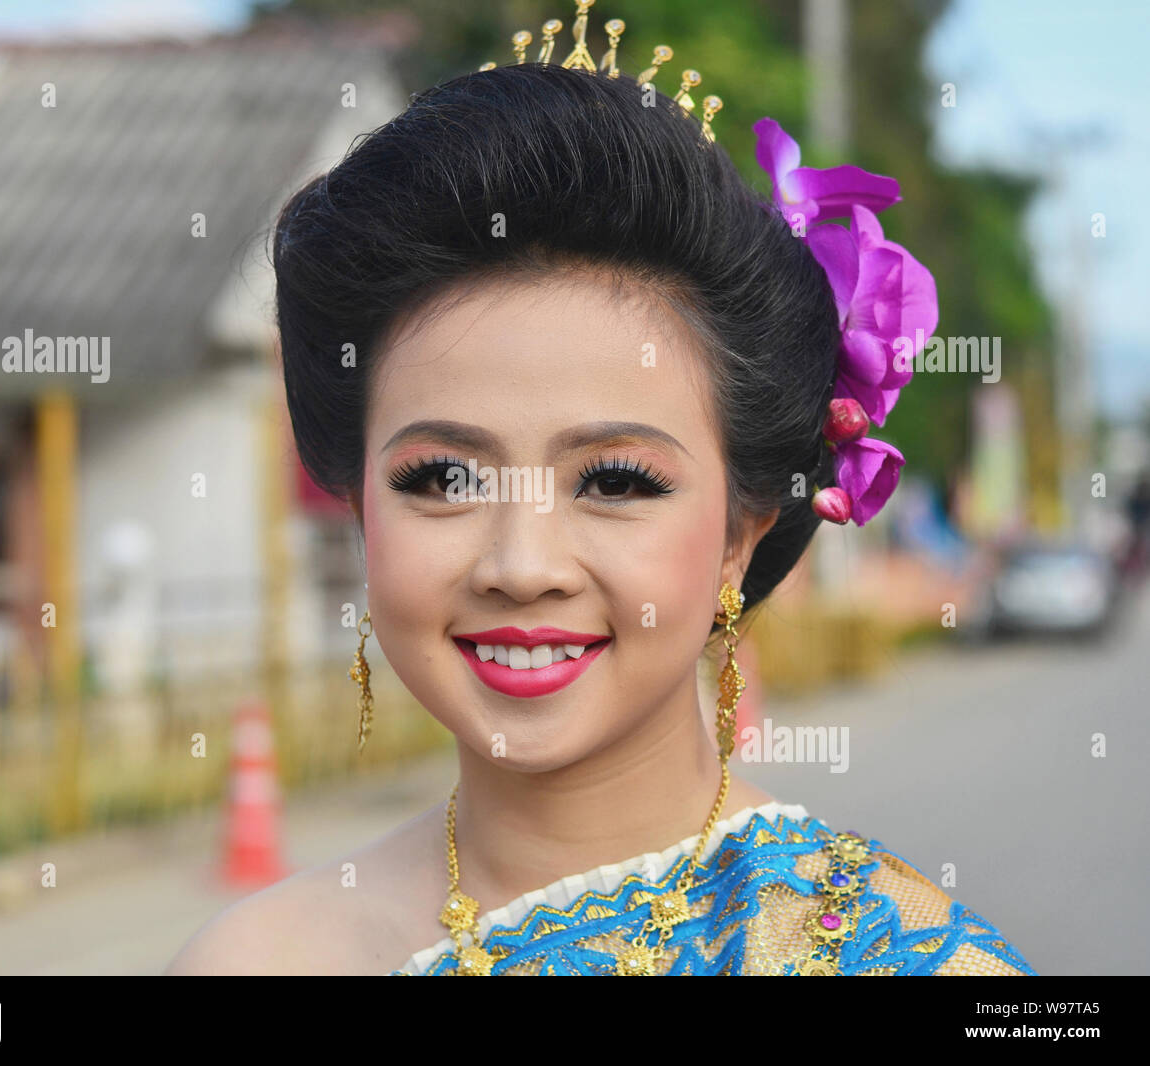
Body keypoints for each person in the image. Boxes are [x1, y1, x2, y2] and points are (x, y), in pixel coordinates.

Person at [169, 10, 1034, 976]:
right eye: (443, 478)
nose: (521, 567)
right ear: (360, 504)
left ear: (740, 535)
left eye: (616, 479)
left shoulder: (888, 954)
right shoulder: (256, 962)